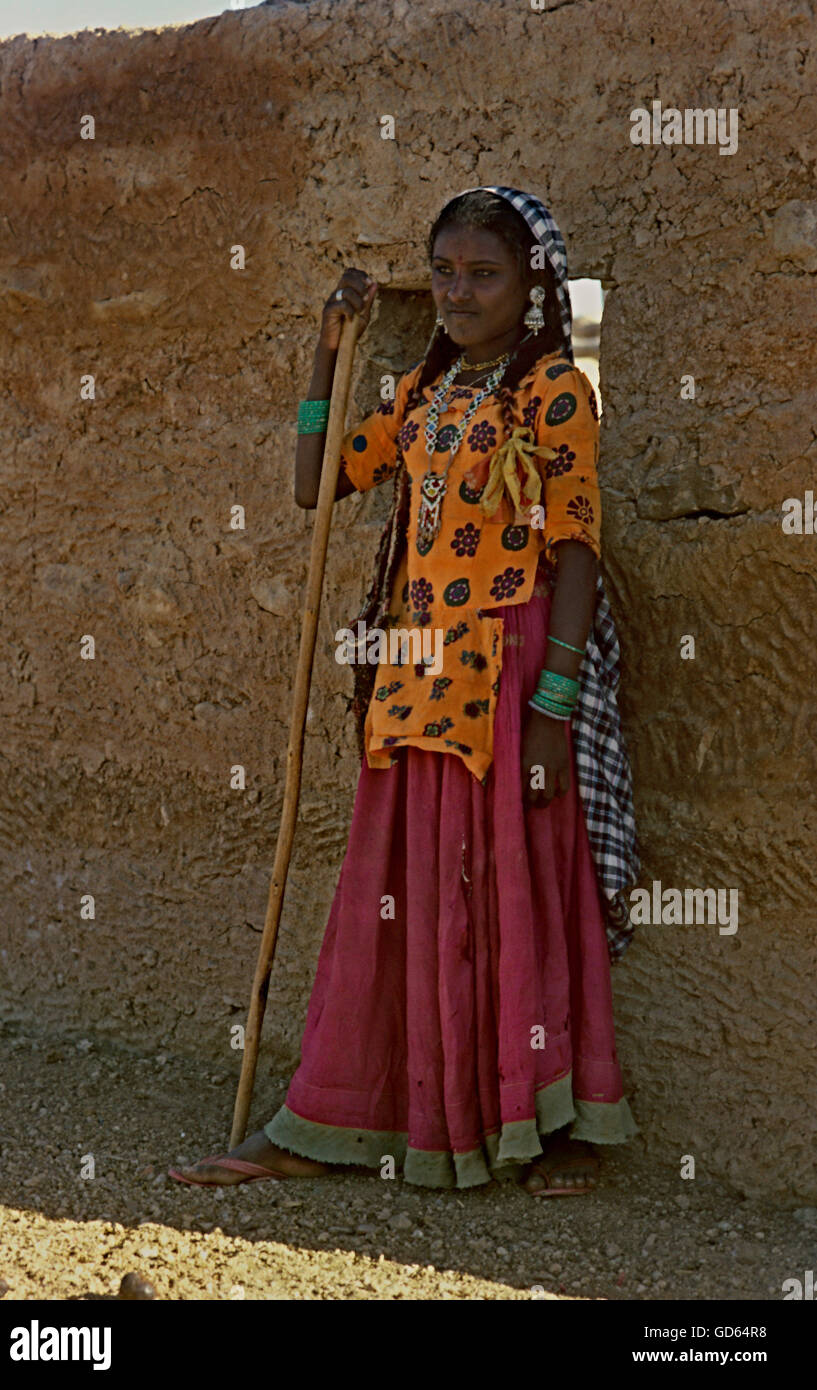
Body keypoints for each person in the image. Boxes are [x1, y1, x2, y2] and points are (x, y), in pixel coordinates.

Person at [171, 186, 639, 1197]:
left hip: (512, 671)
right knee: (406, 893)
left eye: (482, 275)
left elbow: (575, 554)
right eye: (443, 272)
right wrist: (328, 356)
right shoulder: (419, 398)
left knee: (517, 894)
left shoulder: (553, 393)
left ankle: (547, 1129)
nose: (457, 292)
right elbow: (315, 483)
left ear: (531, 287)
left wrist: (552, 713)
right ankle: (362, 1118)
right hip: (417, 669)